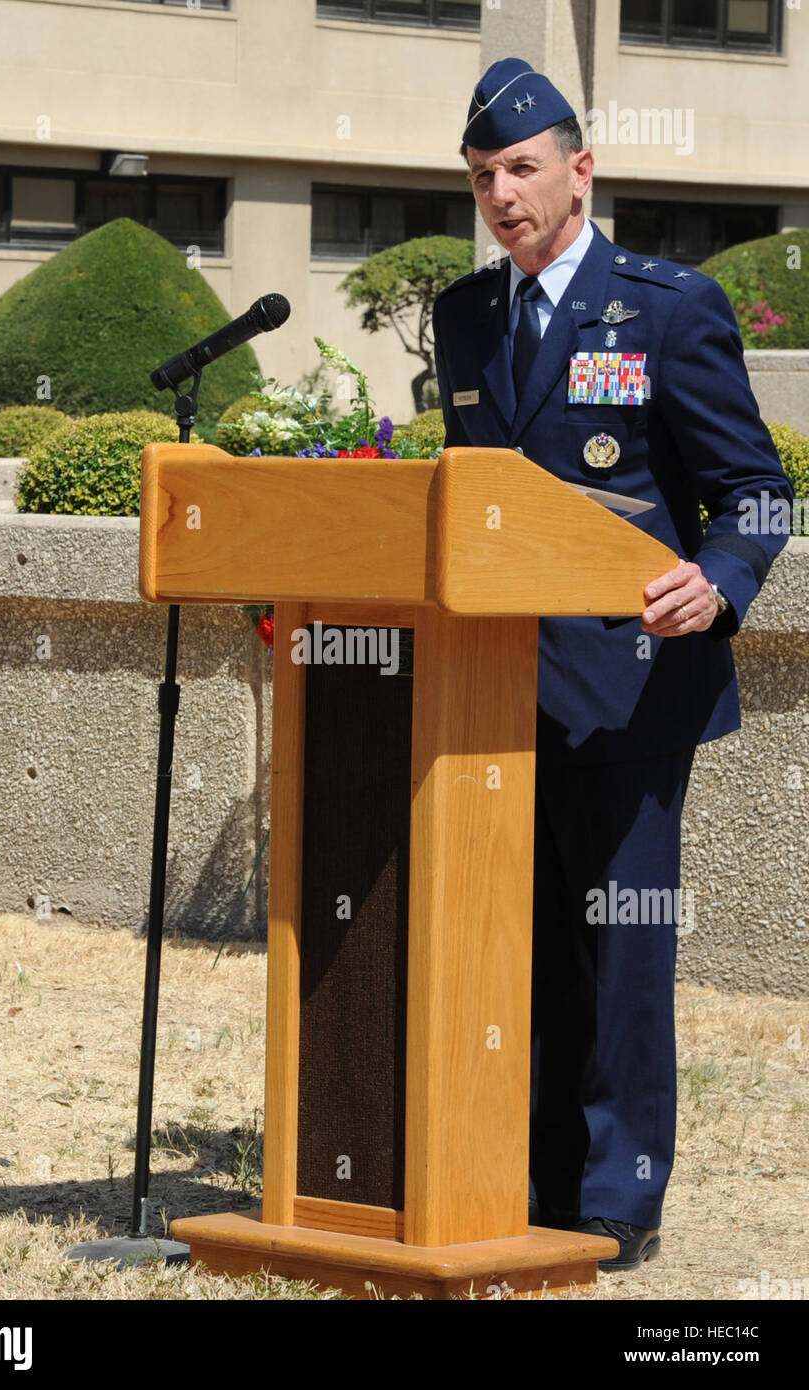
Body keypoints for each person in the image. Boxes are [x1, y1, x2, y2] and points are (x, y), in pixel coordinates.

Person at [432, 58, 793, 1271]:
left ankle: (615, 1193)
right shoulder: (465, 317)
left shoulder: (671, 305)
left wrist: (719, 580)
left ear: (580, 170)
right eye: (483, 176)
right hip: (489, 686)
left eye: (522, 169)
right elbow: (473, 504)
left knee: (622, 944)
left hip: (634, 684)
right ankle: (524, 1169)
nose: (502, 195)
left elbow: (754, 490)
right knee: (516, 940)